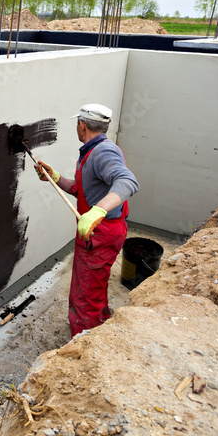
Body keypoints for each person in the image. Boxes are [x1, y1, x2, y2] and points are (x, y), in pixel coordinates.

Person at [35, 103, 138, 337]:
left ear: (82, 125)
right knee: (94, 285)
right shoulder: (94, 150)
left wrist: (97, 211)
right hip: (101, 231)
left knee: (84, 295)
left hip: (99, 233)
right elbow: (82, 190)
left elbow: (128, 181)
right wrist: (55, 177)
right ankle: (101, 323)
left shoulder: (103, 153)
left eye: (77, 124)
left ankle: (85, 340)